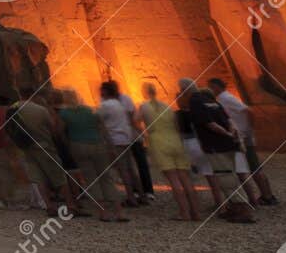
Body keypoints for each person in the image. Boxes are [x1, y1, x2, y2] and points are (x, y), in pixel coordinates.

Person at [184, 78, 254, 223]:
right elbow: (229, 121)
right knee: (230, 175)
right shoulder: (215, 103)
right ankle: (235, 207)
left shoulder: (196, 102)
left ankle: (242, 211)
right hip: (228, 145)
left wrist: (226, 134)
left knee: (225, 177)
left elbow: (210, 124)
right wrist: (232, 135)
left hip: (216, 146)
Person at [57, 88, 127, 222]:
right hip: (98, 144)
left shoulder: (64, 114)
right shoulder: (91, 110)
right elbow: (103, 129)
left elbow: (60, 132)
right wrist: (110, 146)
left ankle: (103, 212)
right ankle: (119, 211)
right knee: (107, 178)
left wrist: (69, 144)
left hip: (78, 145)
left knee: (91, 179)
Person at [6, 91, 80, 215]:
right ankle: (71, 205)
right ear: (34, 95)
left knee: (39, 178)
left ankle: (49, 206)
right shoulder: (40, 110)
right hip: (44, 147)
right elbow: (54, 130)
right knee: (59, 177)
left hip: (27, 148)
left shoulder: (13, 109)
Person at [209, 77, 277, 205]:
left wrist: (248, 130)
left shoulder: (226, 98)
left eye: (211, 87)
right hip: (241, 137)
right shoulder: (224, 98)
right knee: (250, 167)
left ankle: (267, 196)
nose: (210, 90)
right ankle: (265, 195)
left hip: (243, 138)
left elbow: (249, 111)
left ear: (217, 86)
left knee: (253, 167)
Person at [137, 81, 197, 221]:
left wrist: (144, 133)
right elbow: (177, 125)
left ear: (144, 92)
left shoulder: (144, 106)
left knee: (174, 180)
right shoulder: (167, 106)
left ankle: (184, 212)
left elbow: (135, 120)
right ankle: (195, 212)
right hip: (175, 140)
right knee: (186, 179)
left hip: (158, 141)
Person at [96, 80, 143, 207]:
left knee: (123, 170)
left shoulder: (105, 105)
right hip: (125, 138)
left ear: (105, 91)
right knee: (129, 168)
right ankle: (141, 195)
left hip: (114, 140)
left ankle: (131, 197)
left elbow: (97, 120)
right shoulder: (118, 103)